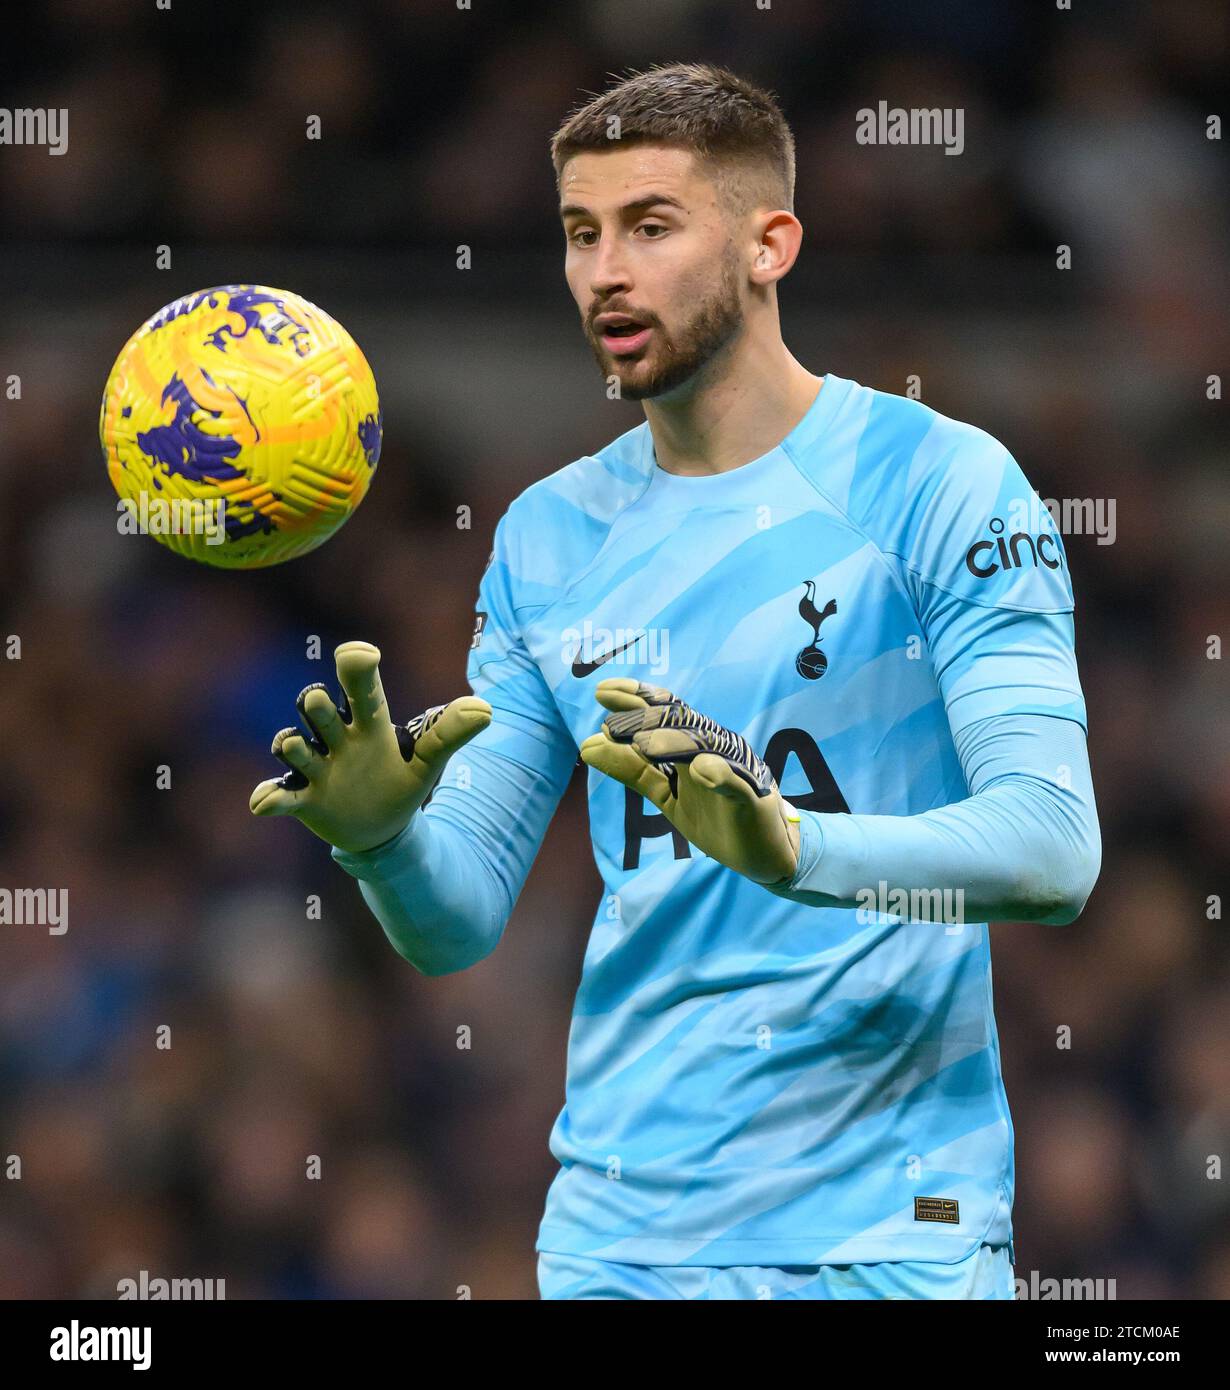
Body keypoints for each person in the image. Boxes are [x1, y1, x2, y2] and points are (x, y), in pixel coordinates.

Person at [250, 62, 1101, 1300]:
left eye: (651, 227)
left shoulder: (942, 485)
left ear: (771, 244)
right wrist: (382, 840)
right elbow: (456, 921)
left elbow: (1053, 848)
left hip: (886, 1234)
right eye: (580, 234)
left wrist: (791, 849)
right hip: (620, 1243)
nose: (606, 271)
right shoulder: (549, 536)